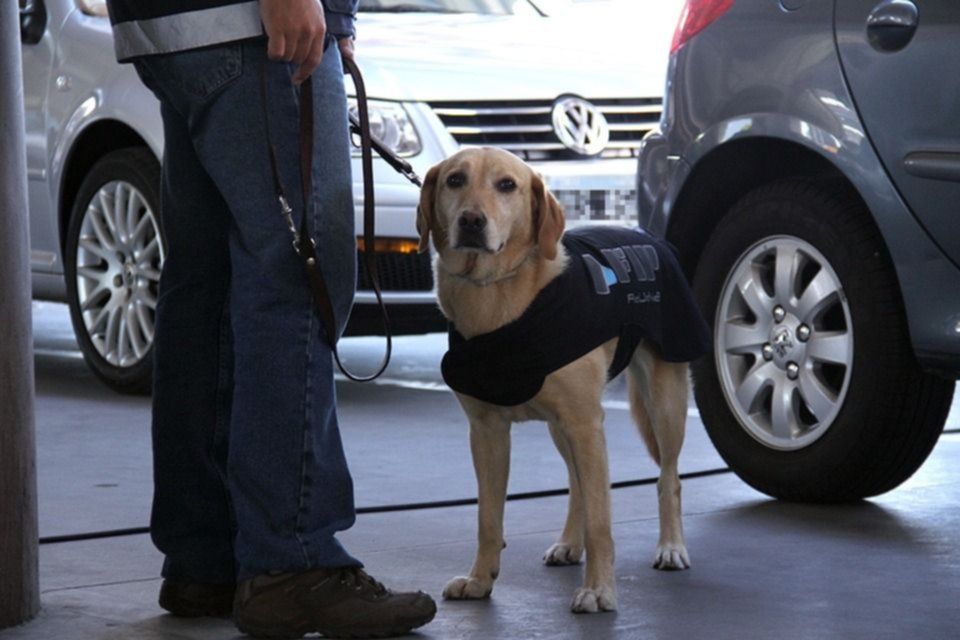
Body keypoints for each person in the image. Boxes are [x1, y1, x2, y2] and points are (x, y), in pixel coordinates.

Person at [103, 1, 437, 637]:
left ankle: (210, 555)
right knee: (296, 279)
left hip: (171, 28)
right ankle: (294, 561)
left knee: (207, 286)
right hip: (249, 27)